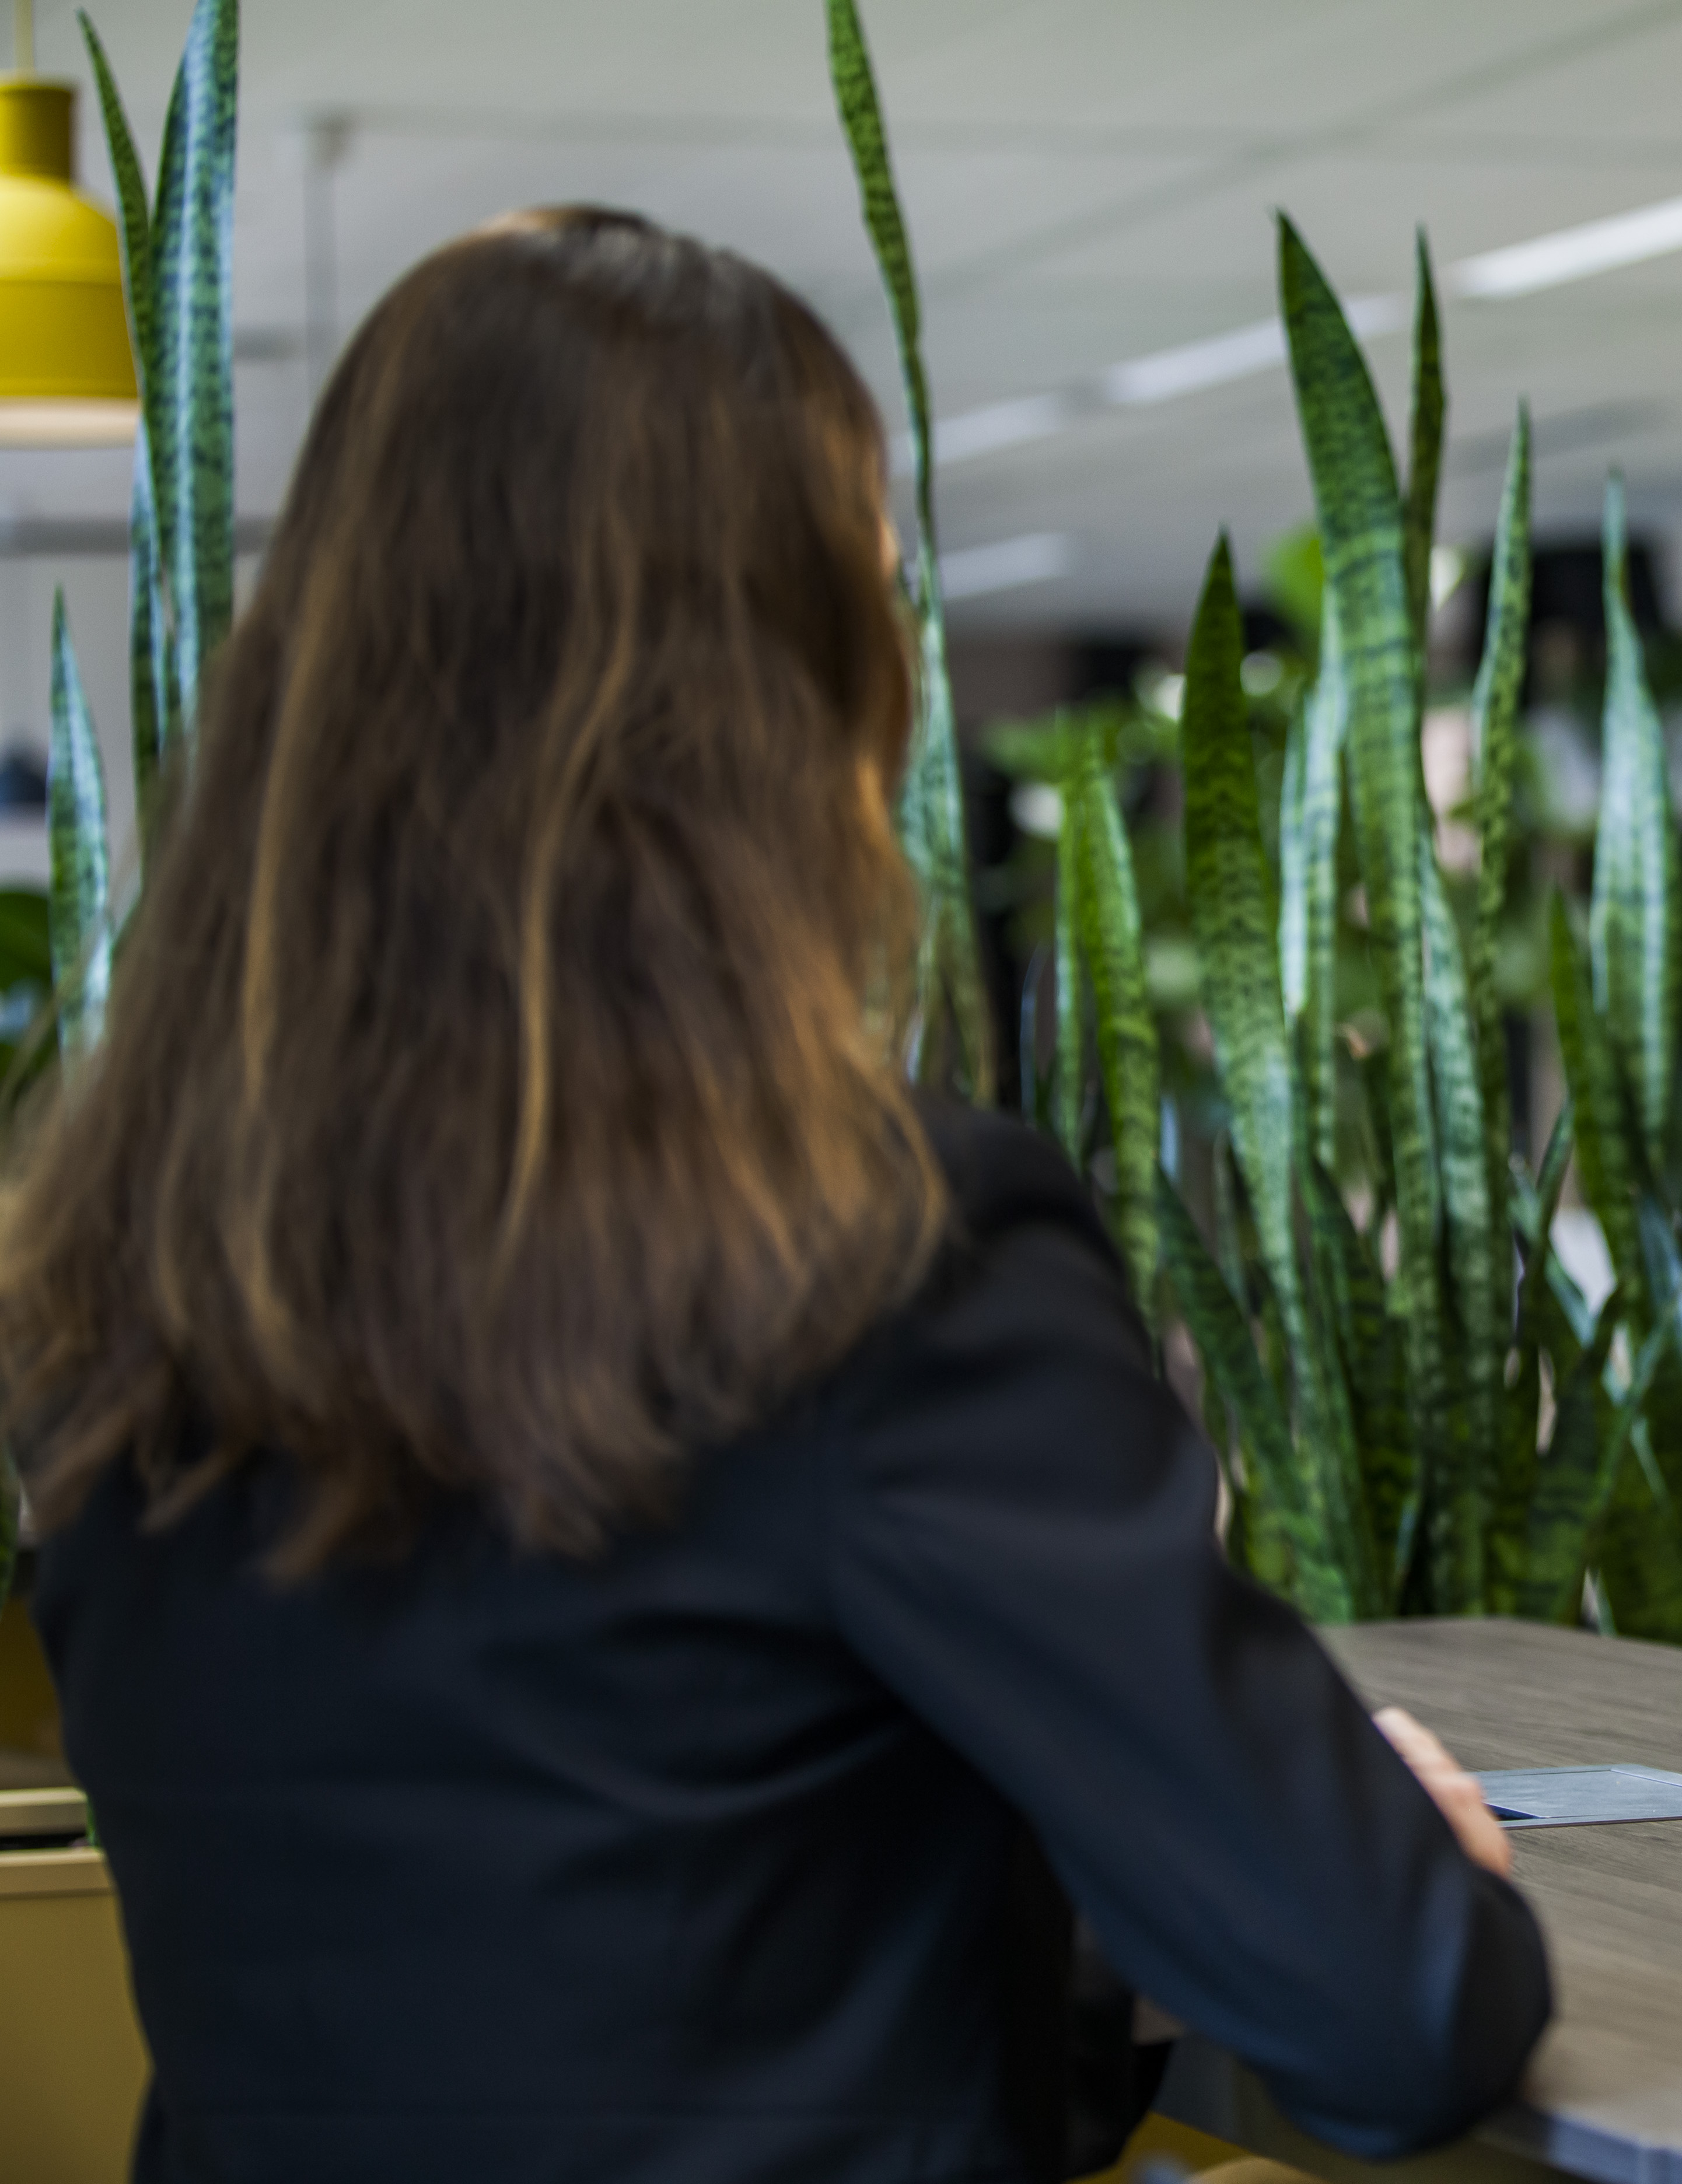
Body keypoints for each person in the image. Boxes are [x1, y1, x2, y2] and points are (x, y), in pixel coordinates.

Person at [5, 208, 1550, 2182]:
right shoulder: (890, 1257)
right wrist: (1356, 1856)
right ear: (768, 704)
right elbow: (1400, 2018)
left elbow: (616, 1941)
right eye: (874, 605)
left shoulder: (121, 1288)